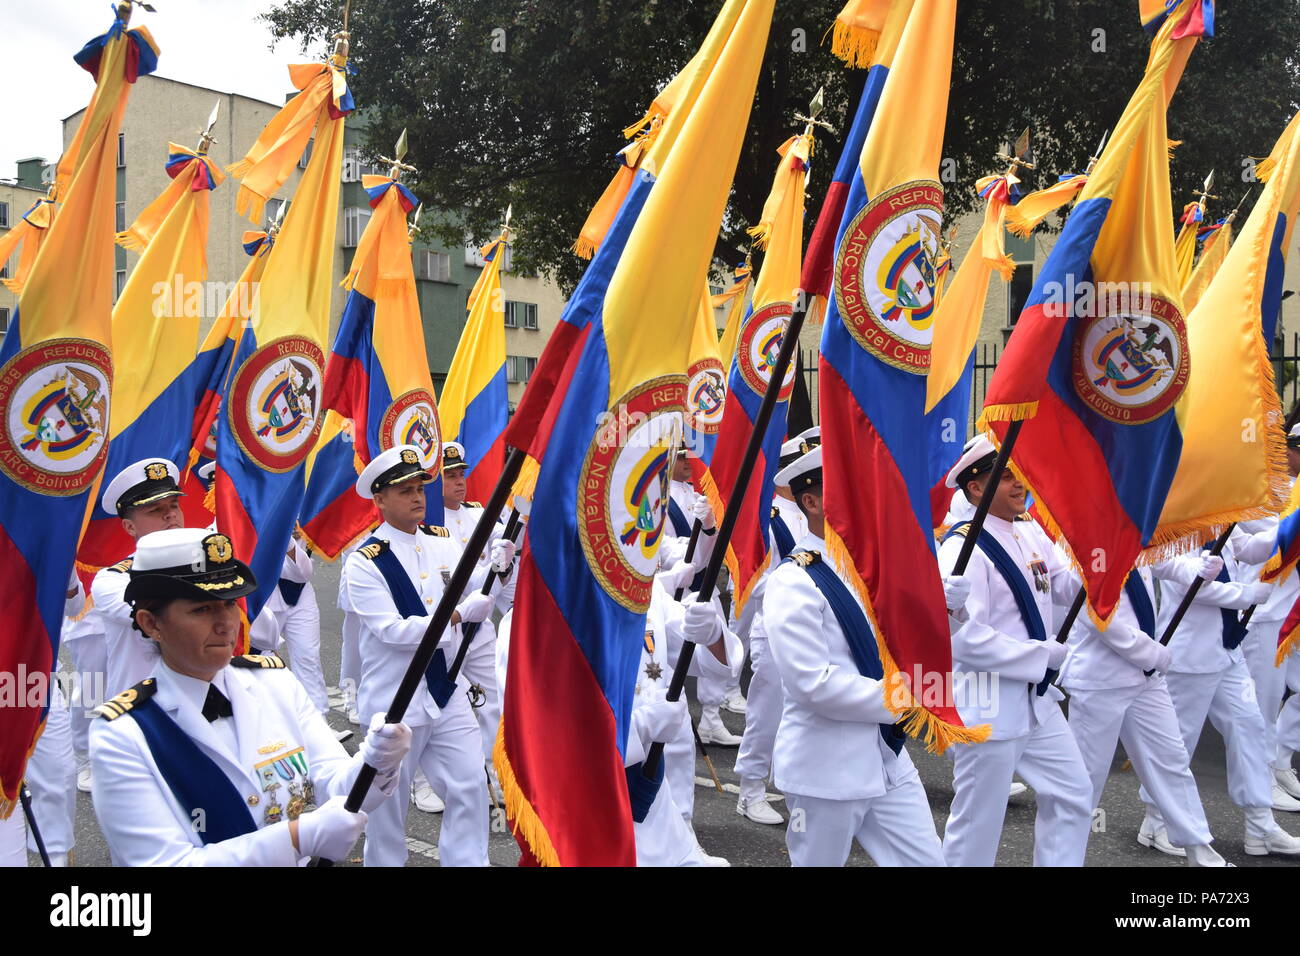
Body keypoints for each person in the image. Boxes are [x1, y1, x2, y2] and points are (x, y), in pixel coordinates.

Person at [89, 527, 411, 866]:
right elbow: (163, 863)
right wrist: (294, 839)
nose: (226, 623)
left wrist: (376, 762)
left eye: (229, 604)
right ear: (151, 624)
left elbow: (336, 784)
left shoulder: (274, 683)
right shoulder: (123, 734)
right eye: (202, 609)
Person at [764, 445, 946, 866]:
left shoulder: (870, 567)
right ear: (811, 501)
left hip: (887, 759)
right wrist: (905, 699)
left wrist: (948, 608)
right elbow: (812, 683)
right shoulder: (793, 580)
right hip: (827, 769)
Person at [343, 445, 510, 866]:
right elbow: (393, 631)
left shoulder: (440, 541)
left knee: (469, 785)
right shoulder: (365, 562)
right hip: (394, 703)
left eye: (419, 488)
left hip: (443, 690)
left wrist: (500, 566)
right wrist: (455, 615)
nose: (418, 497)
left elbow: (474, 583)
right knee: (387, 813)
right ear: (379, 500)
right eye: (404, 491)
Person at [937, 436, 1093, 867]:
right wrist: (1040, 656)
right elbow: (965, 639)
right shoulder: (962, 548)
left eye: (1018, 474)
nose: (1018, 484)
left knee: (1074, 794)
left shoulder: (1028, 529)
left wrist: (1101, 564)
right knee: (978, 824)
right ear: (975, 487)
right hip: (990, 703)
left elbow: (1062, 586)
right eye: (1005, 476)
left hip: (1036, 703)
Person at [1057, 562, 1227, 866]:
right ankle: (1063, 860)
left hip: (1145, 677)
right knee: (1084, 780)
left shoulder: (1135, 529)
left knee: (1171, 760)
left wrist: (1199, 569)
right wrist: (1148, 652)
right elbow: (1097, 614)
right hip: (1101, 678)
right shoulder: (1086, 538)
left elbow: (1167, 561)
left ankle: (1200, 851)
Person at [1142, 531, 1300, 857]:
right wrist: (1247, 595)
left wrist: (1288, 526)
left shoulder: (1221, 511)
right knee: (1176, 742)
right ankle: (1156, 821)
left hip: (1228, 650)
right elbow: (1191, 587)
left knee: (1250, 730)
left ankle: (1261, 826)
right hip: (1189, 656)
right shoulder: (1175, 523)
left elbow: (1248, 547)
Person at [733, 427, 820, 826]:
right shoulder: (768, 519)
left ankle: (794, 785)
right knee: (766, 716)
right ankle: (749, 791)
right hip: (775, 628)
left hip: (815, 629)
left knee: (805, 717)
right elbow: (757, 579)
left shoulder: (811, 517)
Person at [91, 459, 187, 696]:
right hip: (142, 712)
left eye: (174, 505)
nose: (170, 515)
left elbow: (264, 634)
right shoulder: (112, 581)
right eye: (155, 510)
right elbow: (166, 619)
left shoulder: (209, 564)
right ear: (129, 527)